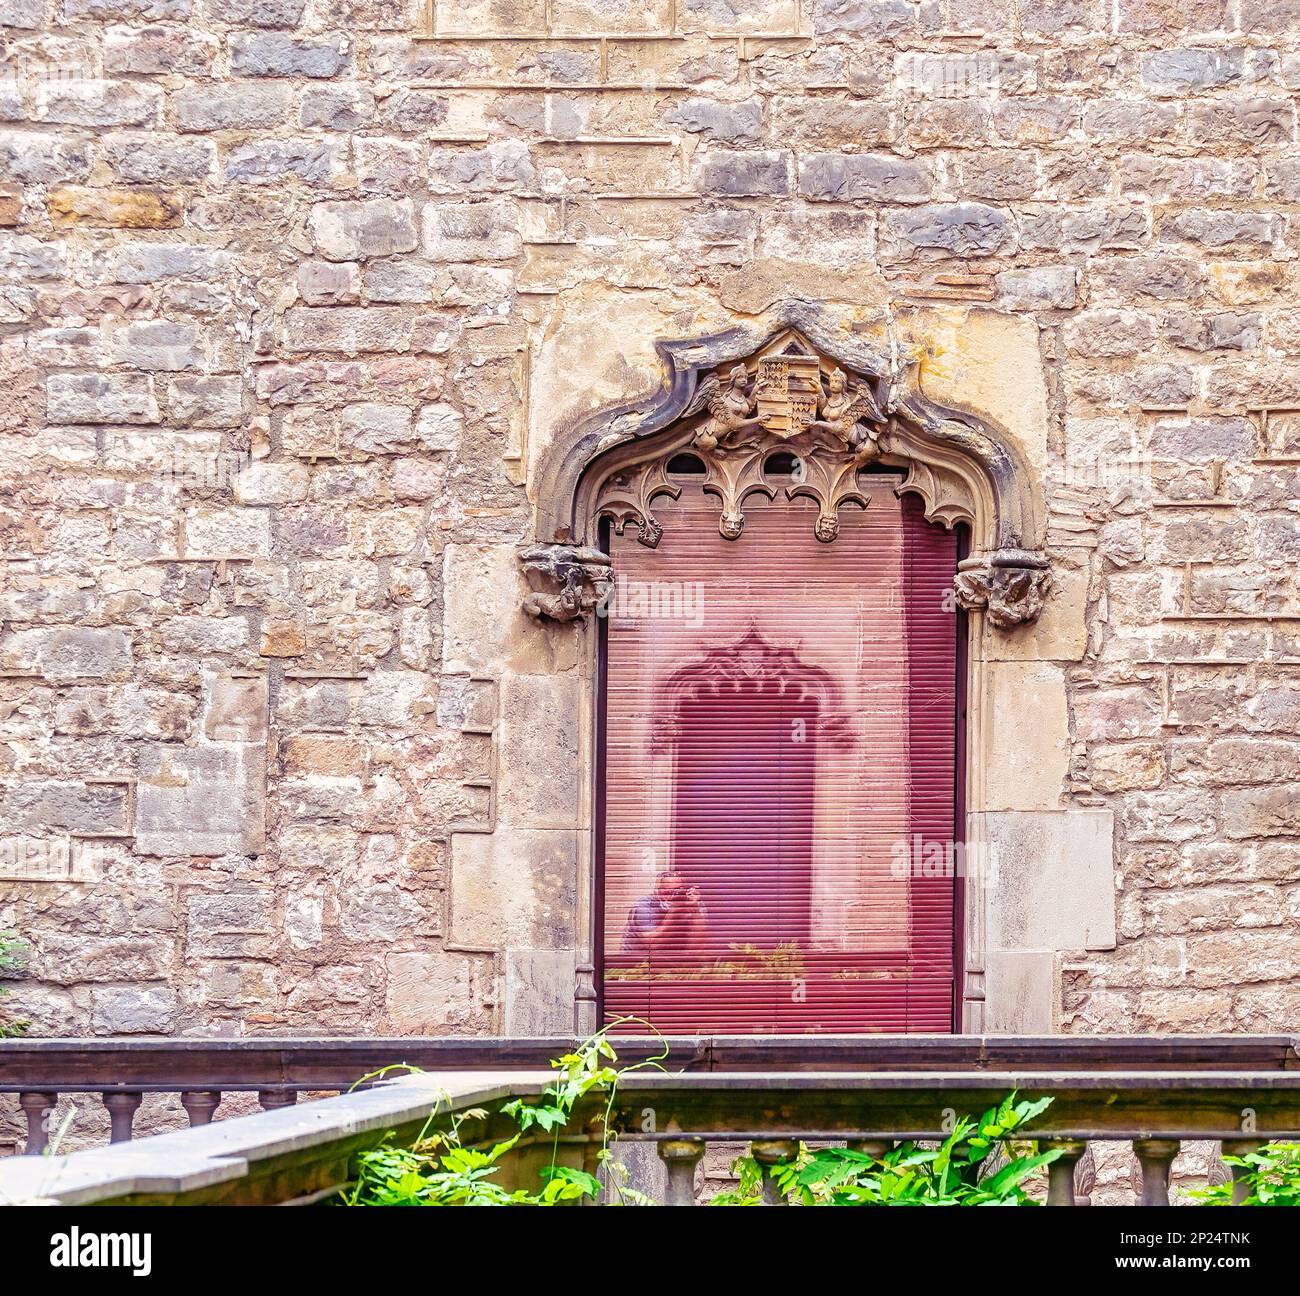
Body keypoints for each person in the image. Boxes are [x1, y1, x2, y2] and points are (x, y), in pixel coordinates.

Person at [622, 871, 711, 963]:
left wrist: (695, 912)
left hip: (675, 961)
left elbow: (697, 946)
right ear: (657, 890)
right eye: (666, 892)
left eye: (676, 891)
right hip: (639, 961)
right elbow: (651, 944)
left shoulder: (693, 903)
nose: (671, 896)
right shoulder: (646, 905)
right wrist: (673, 914)